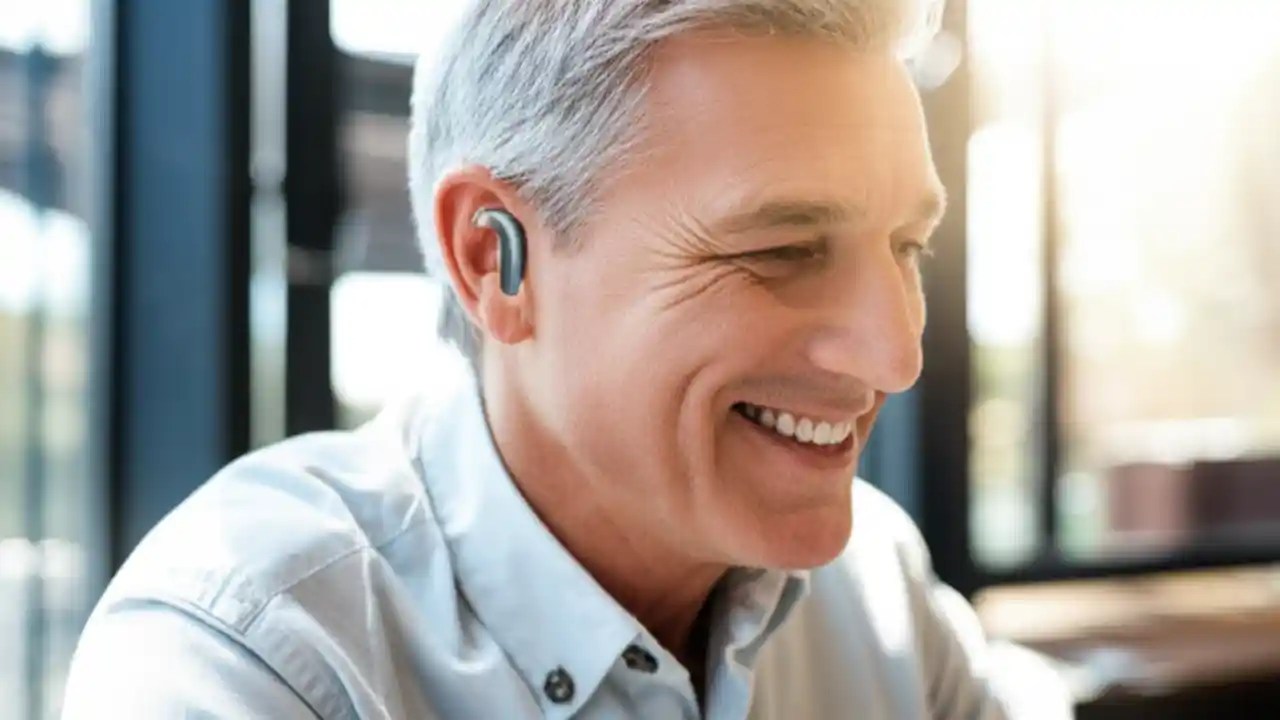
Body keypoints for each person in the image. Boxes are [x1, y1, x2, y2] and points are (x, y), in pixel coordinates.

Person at [63, 0, 1069, 717]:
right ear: (491, 260)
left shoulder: (869, 588)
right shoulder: (251, 661)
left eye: (906, 248)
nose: (894, 356)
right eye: (780, 251)